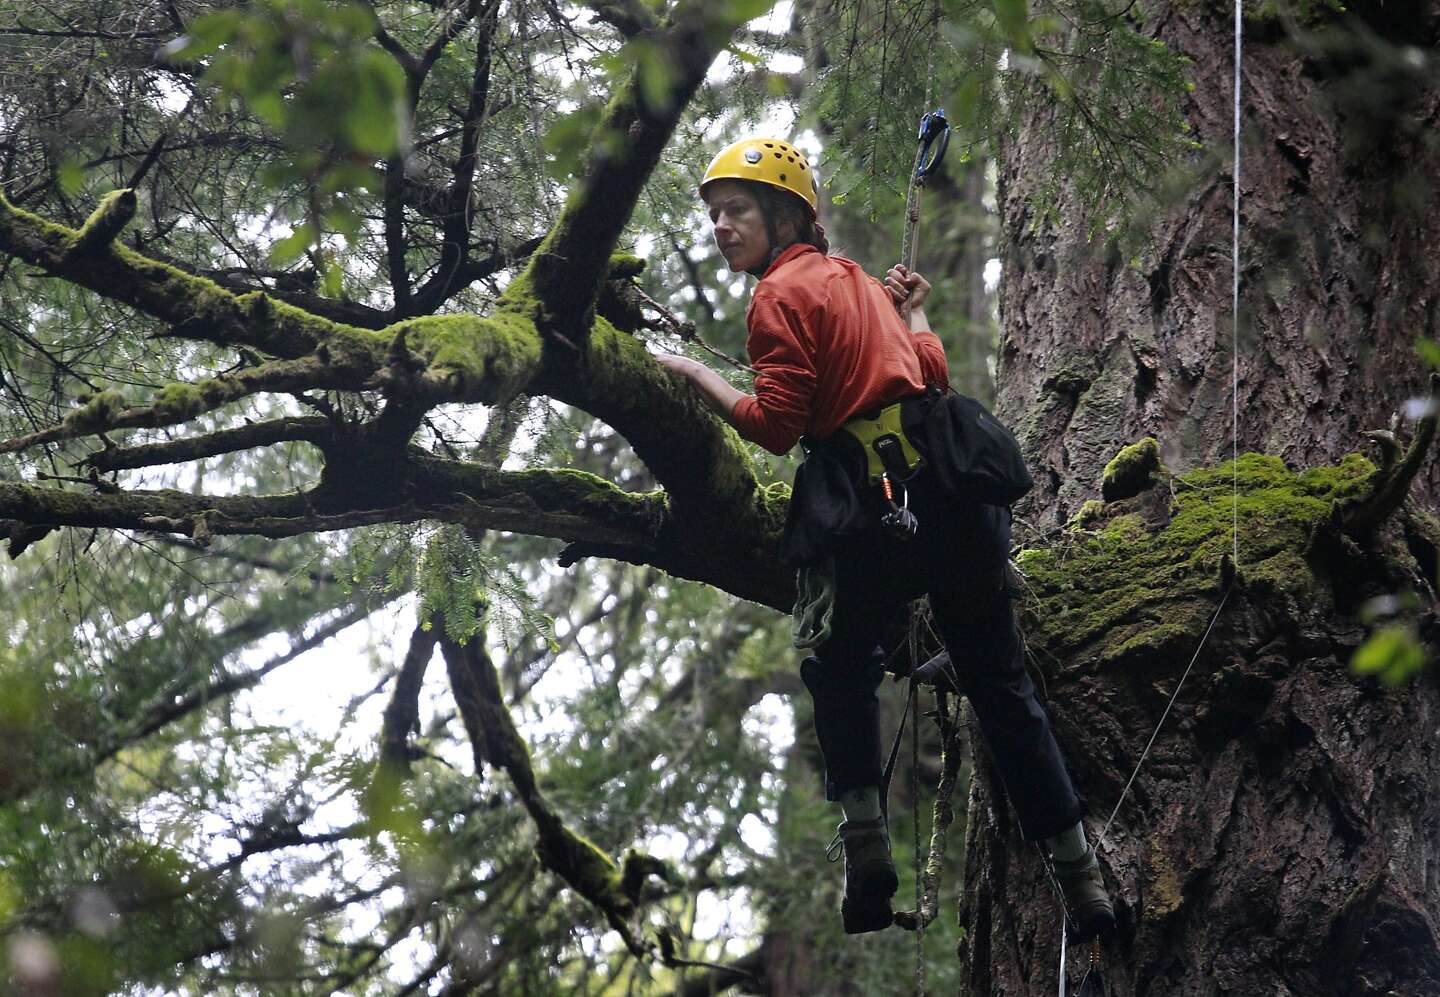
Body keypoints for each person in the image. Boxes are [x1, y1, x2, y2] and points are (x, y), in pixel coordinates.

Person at [657, 137, 1113, 939]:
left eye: (736, 211)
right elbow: (929, 371)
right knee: (1000, 684)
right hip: (950, 497)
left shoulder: (777, 296)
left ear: (784, 214)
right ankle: (1079, 873)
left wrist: (698, 376)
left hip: (870, 511)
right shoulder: (859, 283)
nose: (722, 227)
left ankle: (865, 837)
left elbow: (775, 427)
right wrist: (915, 313)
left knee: (841, 667)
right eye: (715, 215)